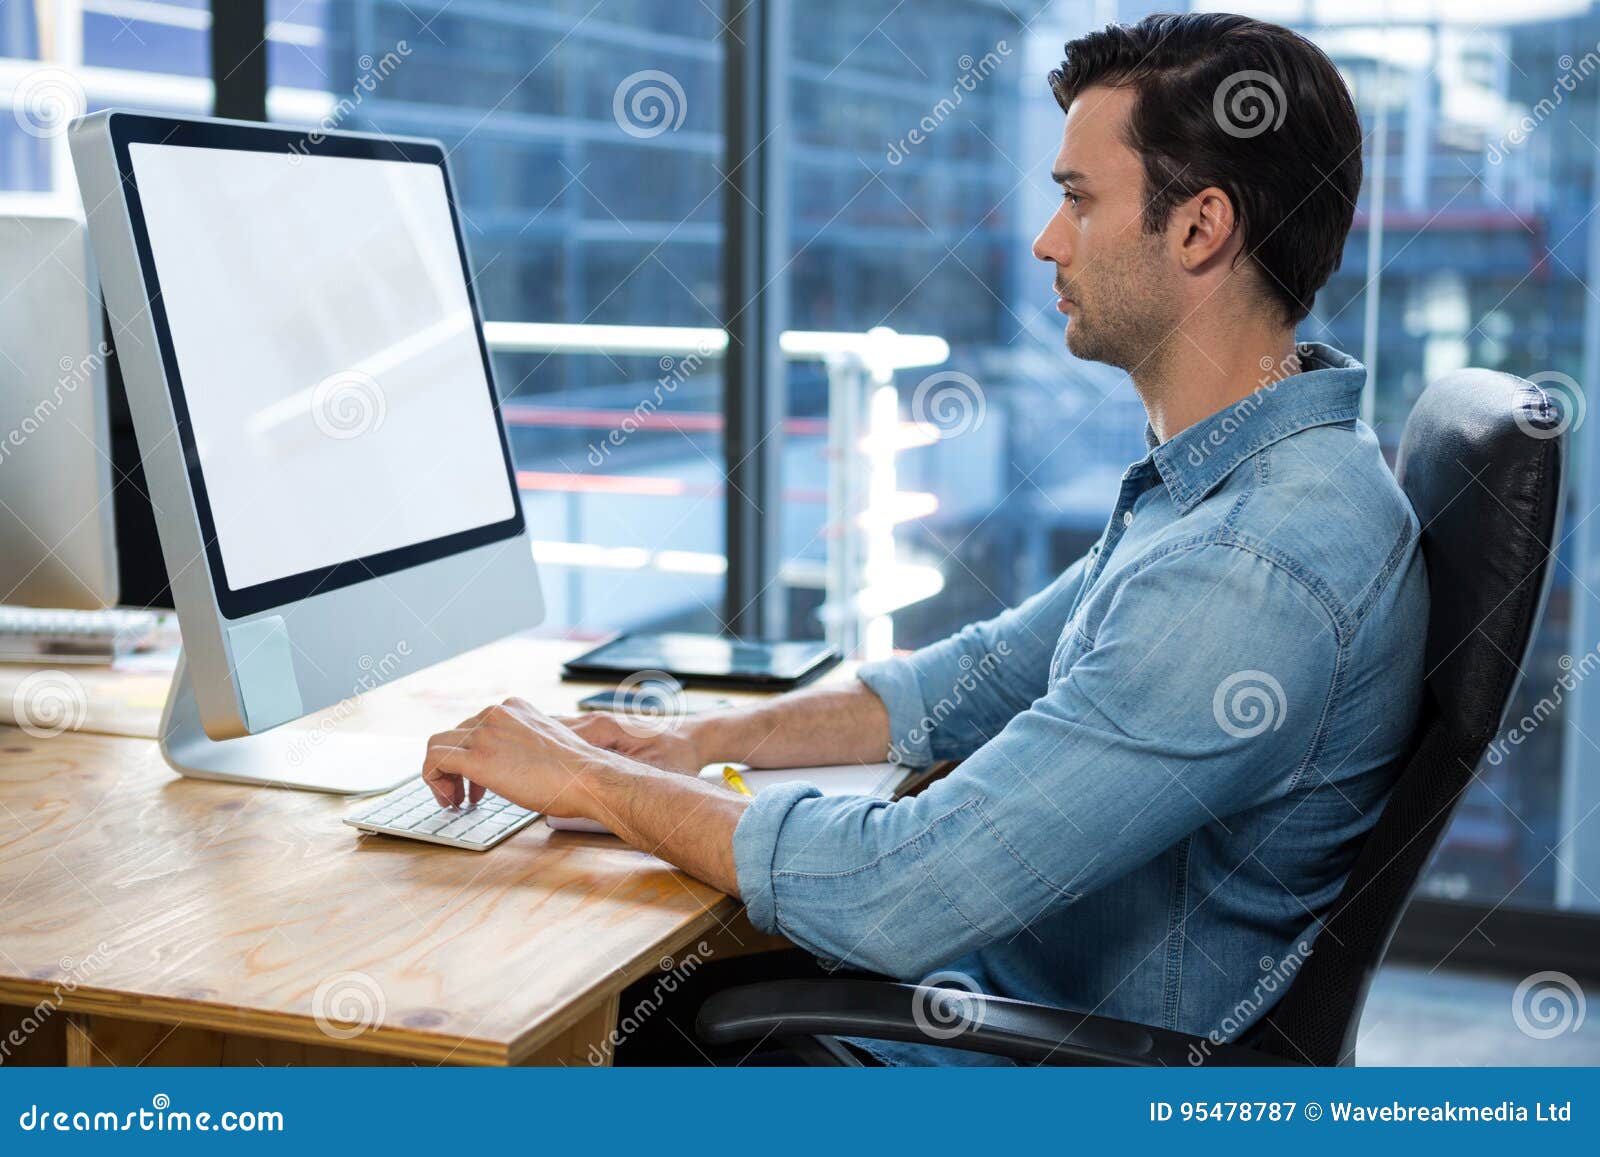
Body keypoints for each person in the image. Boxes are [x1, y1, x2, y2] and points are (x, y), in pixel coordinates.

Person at [422, 11, 1427, 1065]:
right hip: (1003, 1001)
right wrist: (695, 743)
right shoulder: (1230, 484)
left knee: (549, 1033)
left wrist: (592, 783)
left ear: (1197, 228)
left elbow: (899, 891)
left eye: (1078, 200)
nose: (1048, 239)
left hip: (1032, 1064)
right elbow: (979, 675)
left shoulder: (1250, 567)